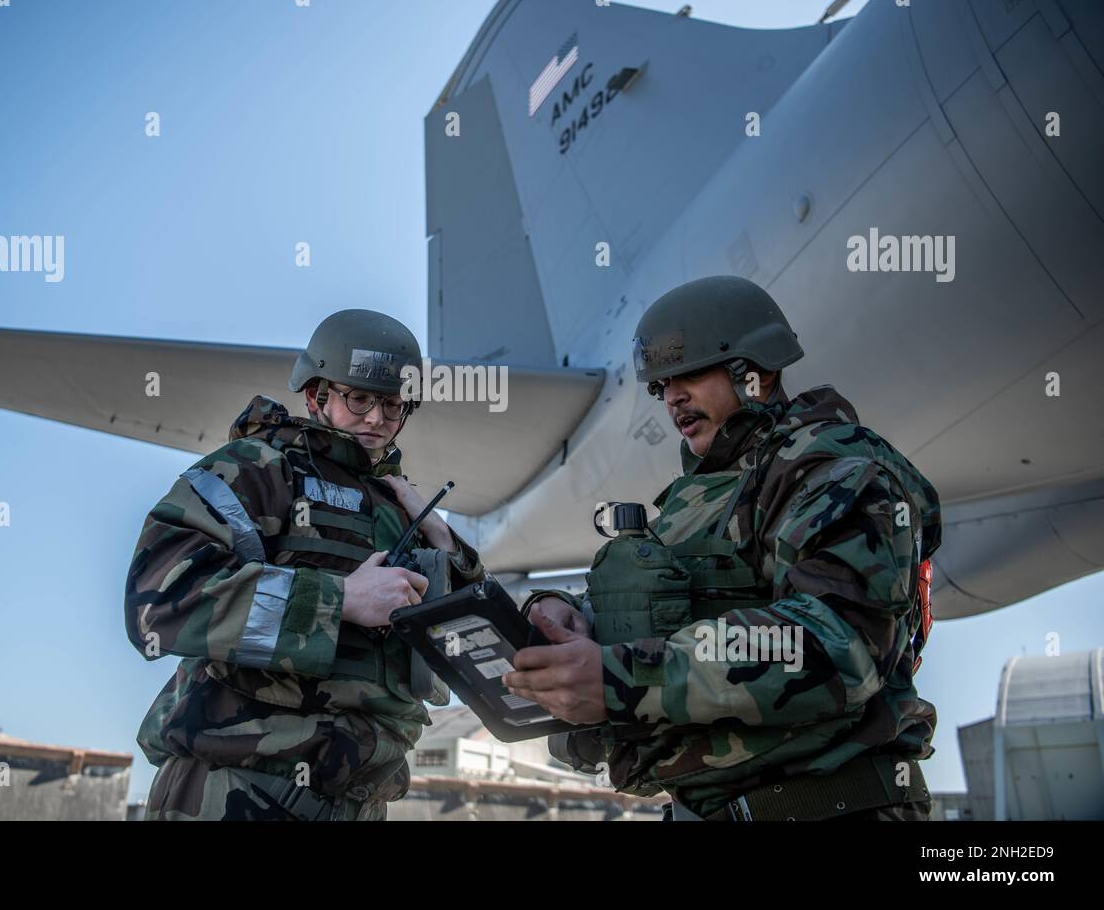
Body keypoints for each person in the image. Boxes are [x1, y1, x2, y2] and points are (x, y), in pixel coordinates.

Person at [504, 275, 940, 821]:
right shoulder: (705, 495)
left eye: (689, 373)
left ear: (755, 371)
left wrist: (621, 679)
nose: (672, 397)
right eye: (662, 385)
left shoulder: (836, 469)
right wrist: (572, 617)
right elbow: (685, 613)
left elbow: (837, 645)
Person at [125, 309, 484, 820]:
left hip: (360, 800)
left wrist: (453, 554)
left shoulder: (399, 507)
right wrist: (339, 602)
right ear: (315, 395)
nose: (377, 418)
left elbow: (478, 651)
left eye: (393, 403)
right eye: (359, 397)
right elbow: (157, 605)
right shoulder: (254, 469)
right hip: (236, 791)